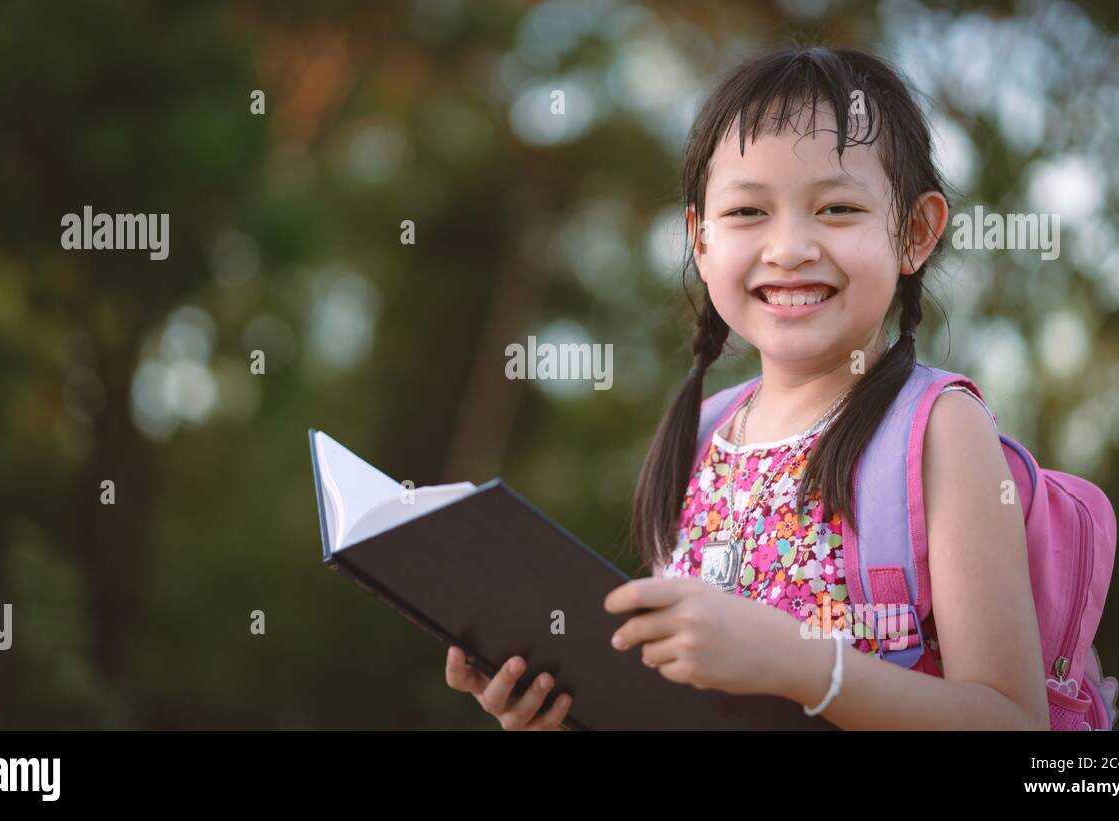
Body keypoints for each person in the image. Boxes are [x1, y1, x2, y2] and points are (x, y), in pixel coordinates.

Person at [447, 43, 1049, 731]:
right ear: (700, 241)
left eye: (836, 209)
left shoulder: (937, 429)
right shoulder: (700, 433)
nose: (789, 247)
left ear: (915, 233)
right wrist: (559, 709)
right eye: (747, 213)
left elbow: (1014, 722)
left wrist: (801, 663)